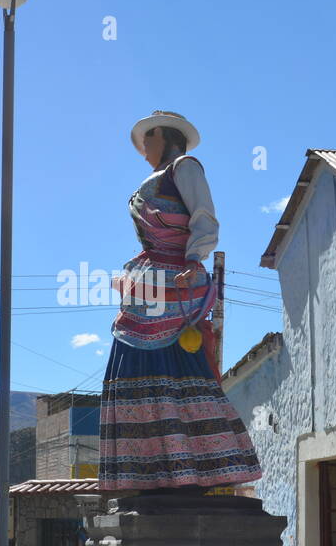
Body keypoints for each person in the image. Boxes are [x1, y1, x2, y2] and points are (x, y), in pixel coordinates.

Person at [98, 111, 262, 493]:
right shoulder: (156, 178)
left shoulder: (185, 168)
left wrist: (193, 260)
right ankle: (151, 471)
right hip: (150, 283)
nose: (144, 152)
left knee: (173, 369)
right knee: (134, 365)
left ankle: (190, 469)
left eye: (146, 143)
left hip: (175, 279)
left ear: (160, 135)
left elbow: (205, 217)